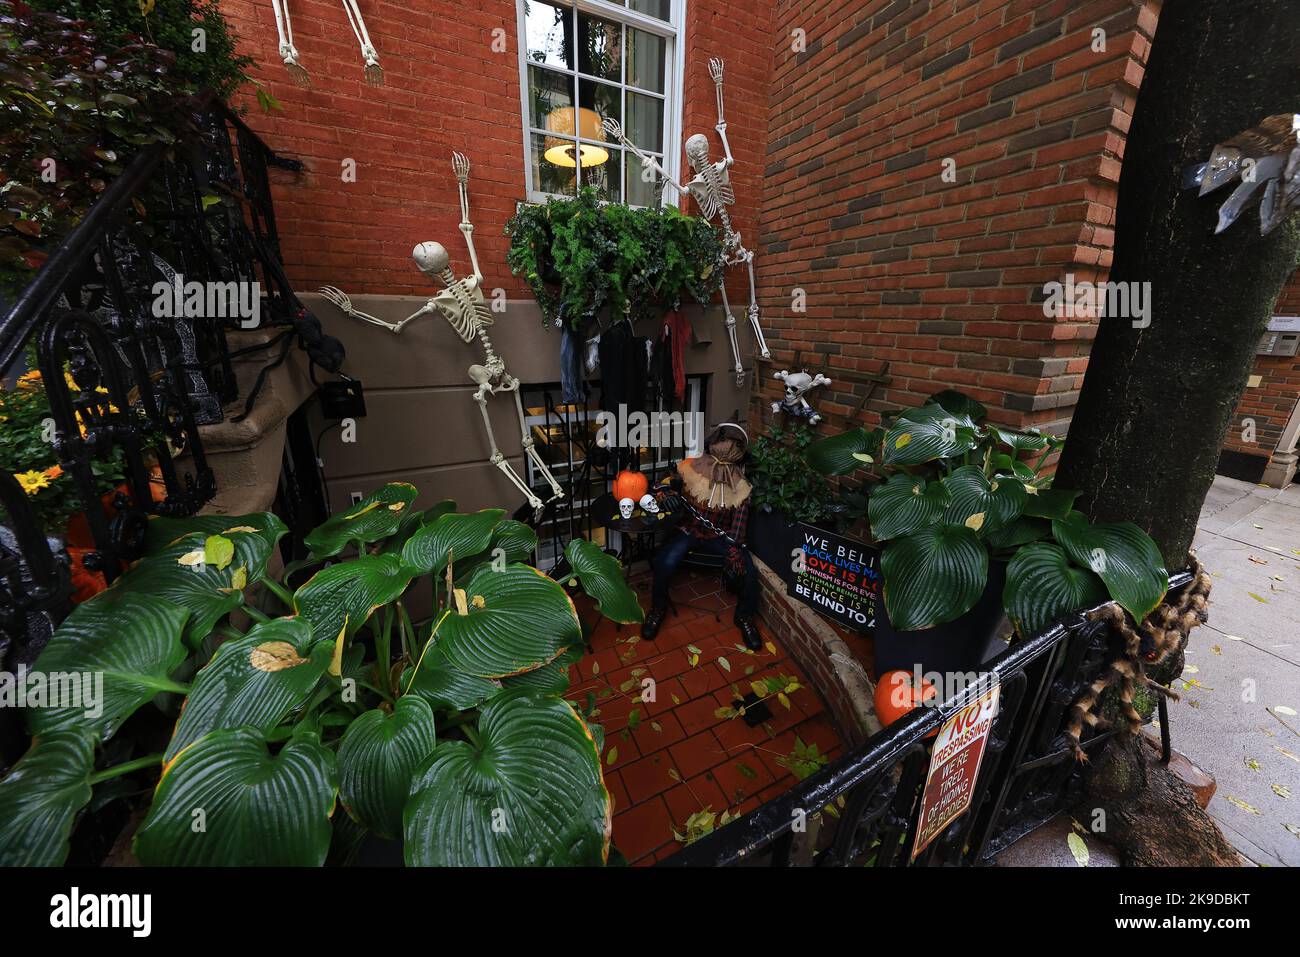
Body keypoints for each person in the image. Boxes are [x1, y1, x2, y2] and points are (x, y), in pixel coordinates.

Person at [644, 423, 762, 650]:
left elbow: (739, 522)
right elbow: (661, 485)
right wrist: (667, 495)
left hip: (719, 536)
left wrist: (734, 551)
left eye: (732, 443)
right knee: (664, 562)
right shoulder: (691, 467)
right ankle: (658, 608)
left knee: (749, 571)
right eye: (723, 440)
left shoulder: (741, 486)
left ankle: (744, 616)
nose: (726, 446)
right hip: (688, 529)